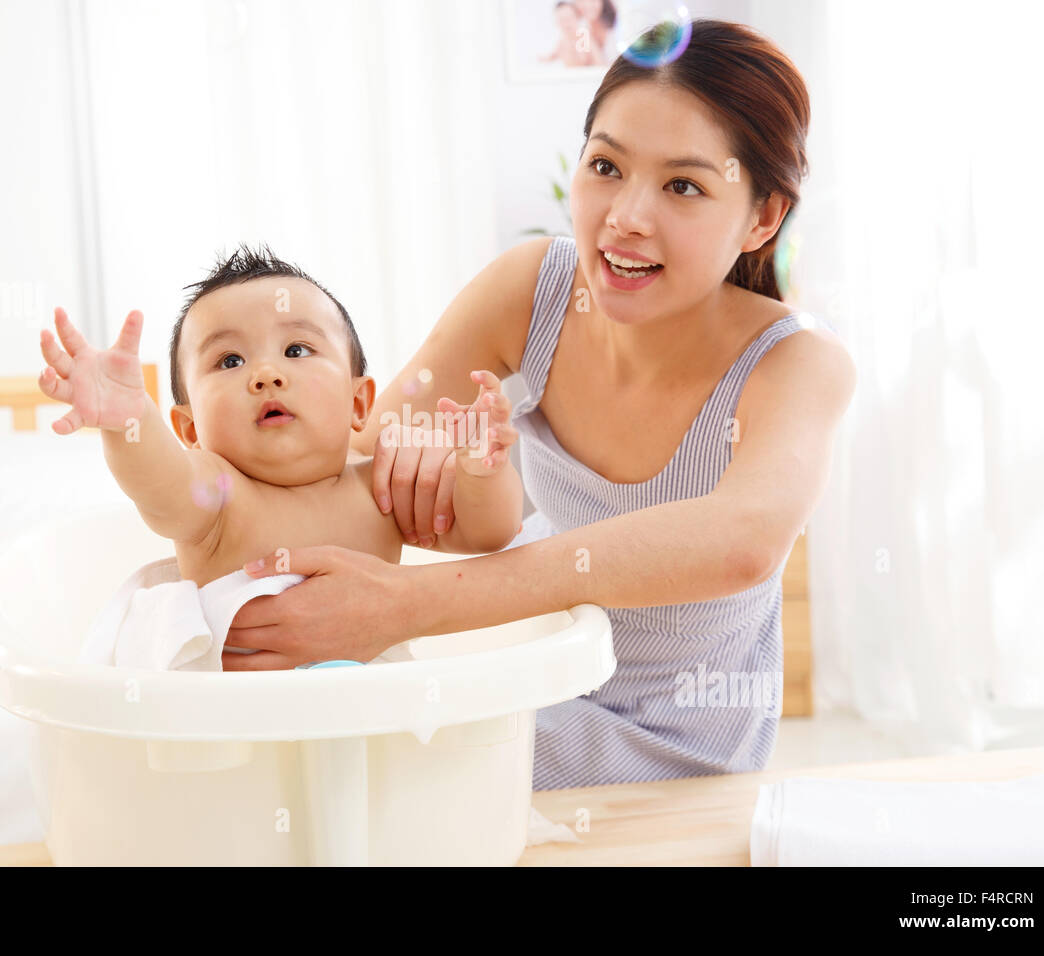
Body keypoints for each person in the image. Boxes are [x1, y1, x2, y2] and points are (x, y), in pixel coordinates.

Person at [228, 20, 856, 790]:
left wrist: (408, 603)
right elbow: (359, 449)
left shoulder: (799, 363)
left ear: (763, 217)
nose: (625, 216)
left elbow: (742, 543)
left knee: (364, 770)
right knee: (306, 750)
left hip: (675, 741)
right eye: (605, 165)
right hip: (540, 664)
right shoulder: (535, 290)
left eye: (683, 185)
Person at [36, 243, 522, 595]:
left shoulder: (382, 489)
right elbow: (159, 484)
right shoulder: (218, 496)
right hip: (250, 727)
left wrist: (482, 470)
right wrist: (129, 422)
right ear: (189, 431)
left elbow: (489, 531)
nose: (266, 374)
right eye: (229, 361)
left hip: (372, 716)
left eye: (296, 349)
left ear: (358, 403)